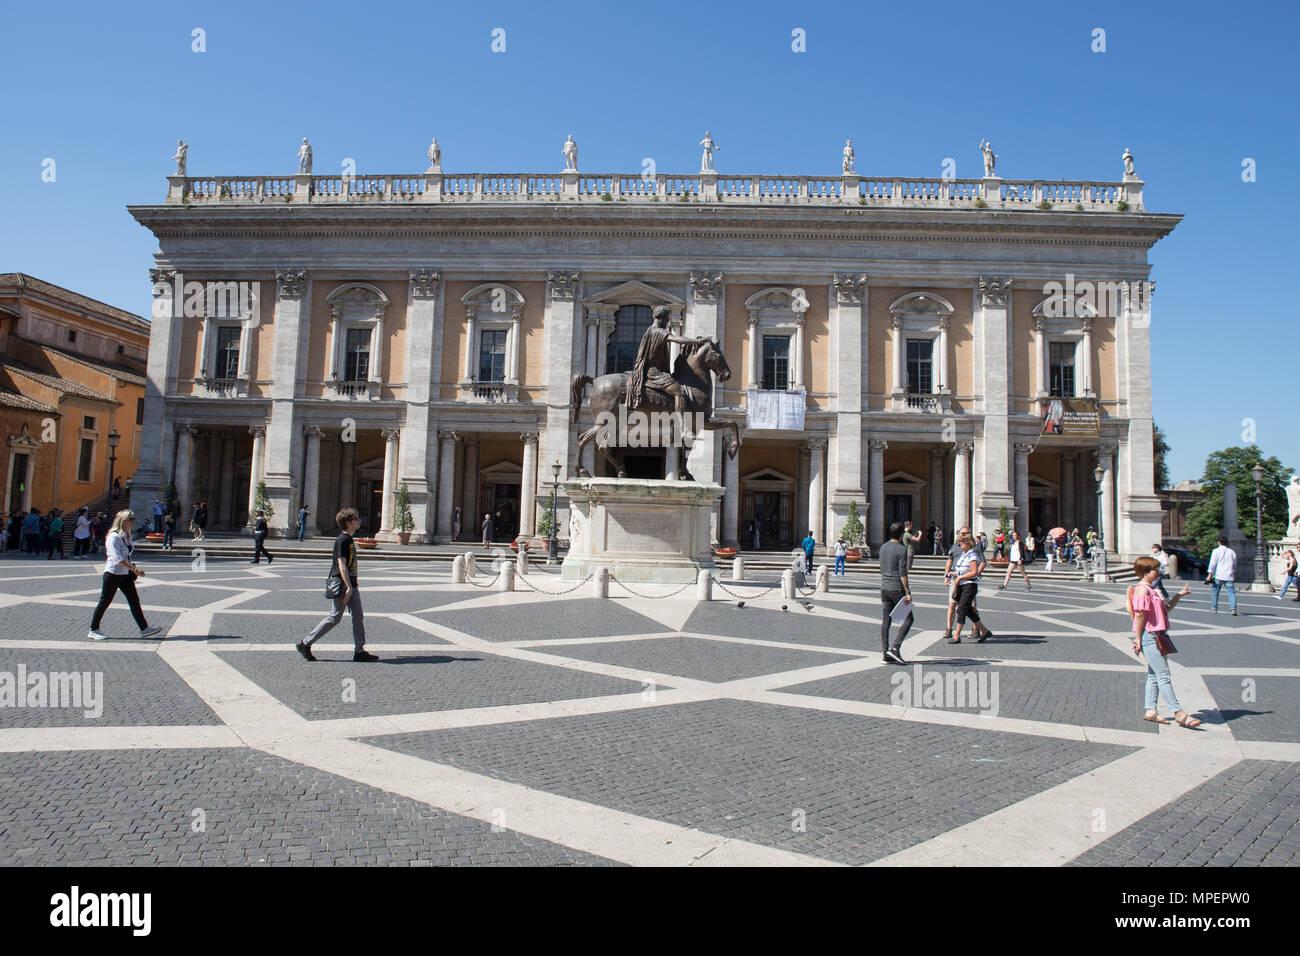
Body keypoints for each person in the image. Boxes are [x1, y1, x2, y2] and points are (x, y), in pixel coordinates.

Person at [296, 507, 378, 663]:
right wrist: (348, 587)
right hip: (343, 585)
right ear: (348, 523)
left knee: (358, 617)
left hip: (351, 584)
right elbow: (341, 564)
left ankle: (359, 651)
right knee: (334, 618)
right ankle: (305, 643)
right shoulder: (342, 540)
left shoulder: (349, 539)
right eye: (356, 518)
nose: (359, 520)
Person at [1128, 556, 1200, 728]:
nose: (1159, 571)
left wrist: (1178, 596)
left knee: (1154, 675)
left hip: (1158, 635)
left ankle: (1150, 710)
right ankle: (1179, 713)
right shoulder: (1142, 591)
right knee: (1163, 675)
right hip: (1150, 636)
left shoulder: (1151, 590)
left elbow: (1165, 609)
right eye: (1155, 569)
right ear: (1146, 572)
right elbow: (1139, 615)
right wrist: (1138, 638)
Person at [88, 510, 163, 640]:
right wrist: (135, 569)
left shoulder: (126, 535)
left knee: (134, 600)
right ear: (124, 521)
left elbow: (127, 555)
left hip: (124, 574)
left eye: (133, 519)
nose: (134, 521)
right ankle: (93, 629)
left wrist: (131, 570)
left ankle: (144, 628)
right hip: (113, 573)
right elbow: (117, 558)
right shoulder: (113, 537)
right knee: (105, 601)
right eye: (131, 519)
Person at [948, 533, 994, 644]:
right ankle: (985, 631)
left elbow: (974, 572)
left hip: (969, 585)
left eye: (962, 542)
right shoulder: (963, 555)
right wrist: (952, 574)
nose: (960, 544)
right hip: (962, 586)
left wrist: (961, 577)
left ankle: (957, 635)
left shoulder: (972, 555)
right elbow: (961, 570)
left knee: (961, 609)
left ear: (968, 543)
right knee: (968, 610)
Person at [878, 522, 914, 664]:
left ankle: (885, 653)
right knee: (909, 619)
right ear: (901, 535)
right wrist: (907, 591)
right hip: (897, 589)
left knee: (886, 619)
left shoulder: (883, 547)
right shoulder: (901, 549)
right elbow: (902, 573)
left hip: (884, 588)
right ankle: (895, 648)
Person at [942, 524, 986, 640]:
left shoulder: (974, 550)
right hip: (958, 582)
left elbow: (980, 564)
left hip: (968, 583)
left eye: (966, 534)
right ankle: (950, 629)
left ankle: (970, 630)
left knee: (967, 607)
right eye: (962, 534)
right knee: (954, 605)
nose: (963, 537)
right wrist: (948, 574)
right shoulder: (956, 547)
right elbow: (950, 561)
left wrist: (975, 575)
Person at [1206, 534, 1238, 615]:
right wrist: (1233, 572)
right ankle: (1233, 608)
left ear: (1219, 542)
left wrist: (1210, 574)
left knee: (1215, 592)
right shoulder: (1232, 552)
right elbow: (1234, 564)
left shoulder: (1216, 551)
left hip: (1218, 575)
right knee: (1231, 592)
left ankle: (1214, 608)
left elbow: (1212, 564)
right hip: (1229, 575)